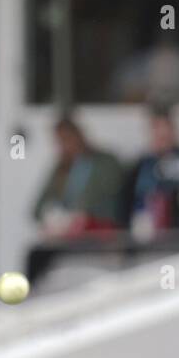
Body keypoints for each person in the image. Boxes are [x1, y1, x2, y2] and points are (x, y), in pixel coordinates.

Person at [27, 116, 126, 283]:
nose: (65, 146)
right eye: (60, 141)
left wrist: (82, 216)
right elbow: (37, 208)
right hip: (64, 237)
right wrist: (53, 217)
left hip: (97, 235)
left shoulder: (105, 162)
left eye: (67, 139)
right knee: (35, 256)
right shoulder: (61, 168)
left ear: (79, 136)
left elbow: (115, 198)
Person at [120, 106, 179, 246]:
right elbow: (126, 202)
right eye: (157, 128)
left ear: (174, 130)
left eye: (166, 128)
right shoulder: (141, 165)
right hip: (146, 238)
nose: (162, 133)